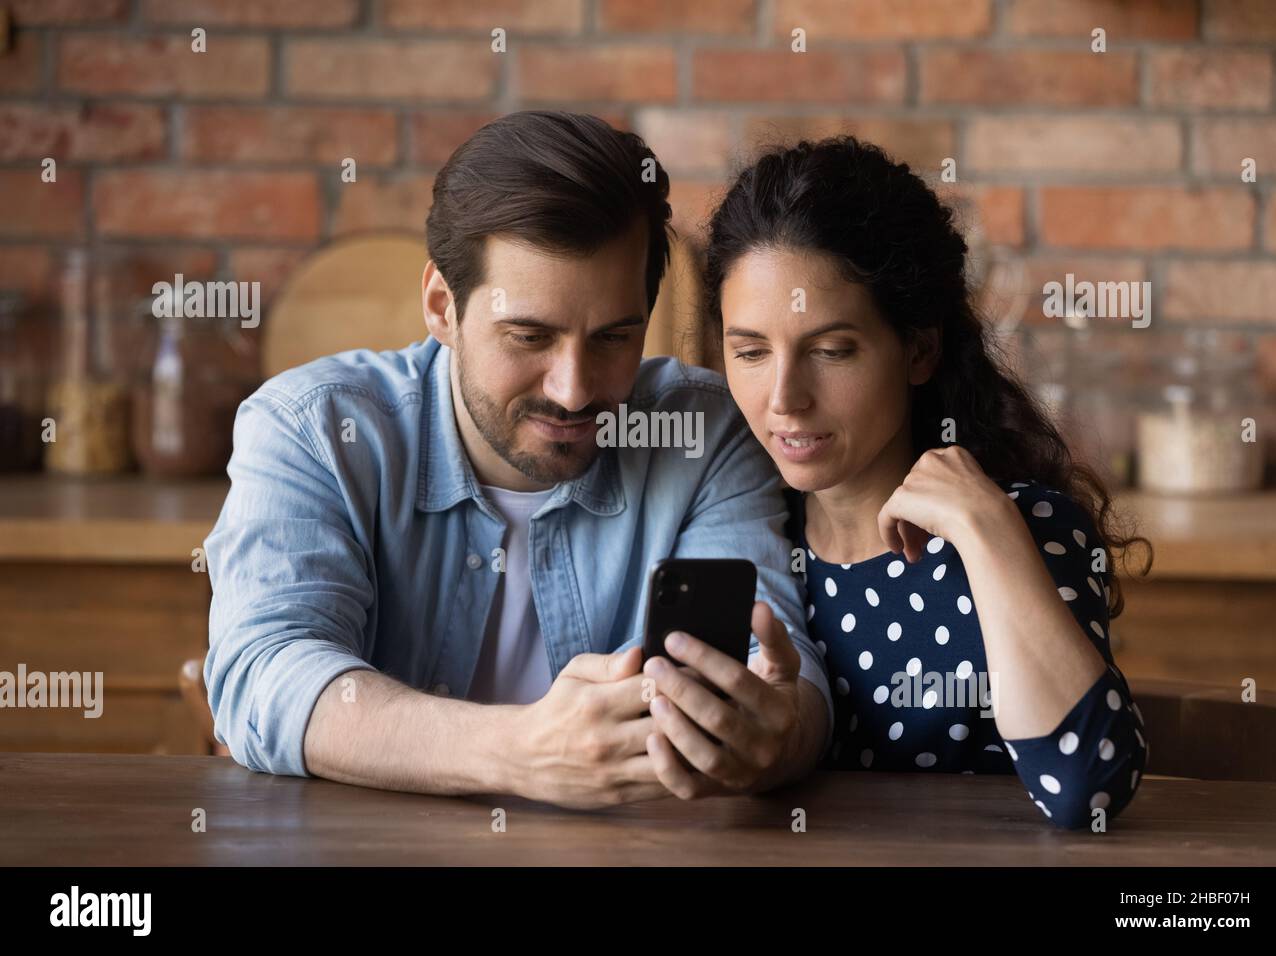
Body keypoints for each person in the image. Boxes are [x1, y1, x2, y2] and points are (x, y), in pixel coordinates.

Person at [203, 111, 832, 810]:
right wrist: (523, 752)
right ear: (443, 306)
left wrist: (778, 735)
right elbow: (263, 672)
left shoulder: (704, 432)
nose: (574, 389)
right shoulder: (312, 430)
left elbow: (784, 677)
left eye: (614, 338)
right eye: (529, 336)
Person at [700, 136, 1153, 829]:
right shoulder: (742, 530)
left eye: (831, 350)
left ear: (918, 348)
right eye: (751, 352)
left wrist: (988, 532)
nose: (784, 398)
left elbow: (1086, 789)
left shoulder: (1023, 526)